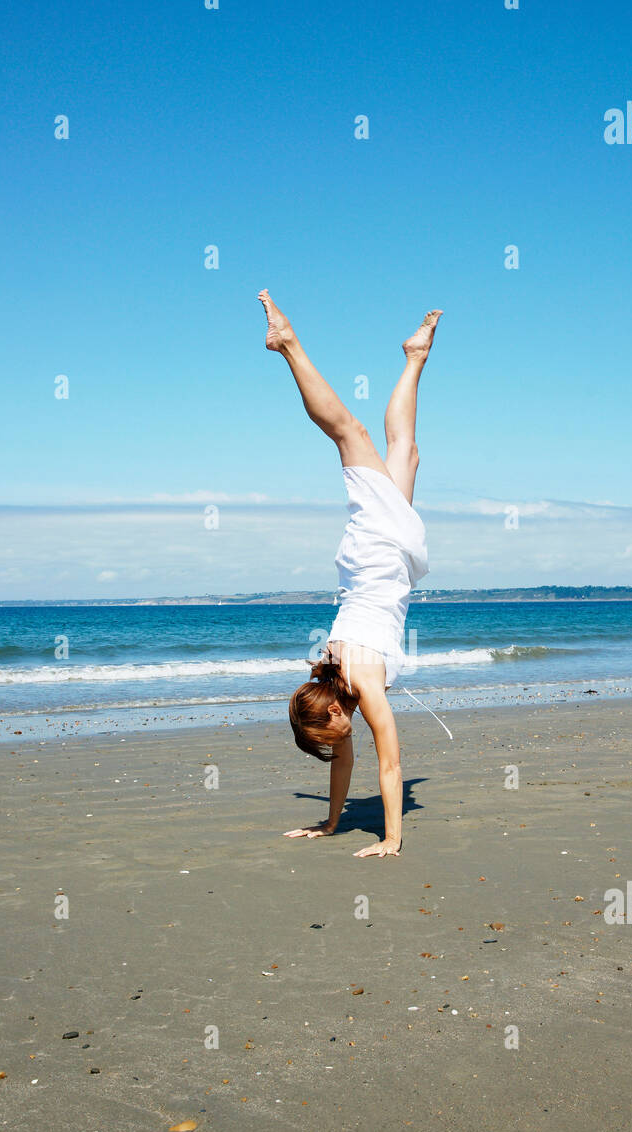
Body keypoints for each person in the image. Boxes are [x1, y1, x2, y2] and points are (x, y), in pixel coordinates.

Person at [257, 290, 442, 858]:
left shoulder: (357, 680)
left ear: (334, 710)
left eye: (334, 735)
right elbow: (349, 763)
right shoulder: (337, 684)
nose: (341, 747)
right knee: (405, 453)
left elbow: (390, 761)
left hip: (374, 556)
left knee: (351, 435)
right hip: (395, 564)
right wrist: (330, 824)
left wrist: (391, 840)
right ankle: (414, 358)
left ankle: (287, 344)